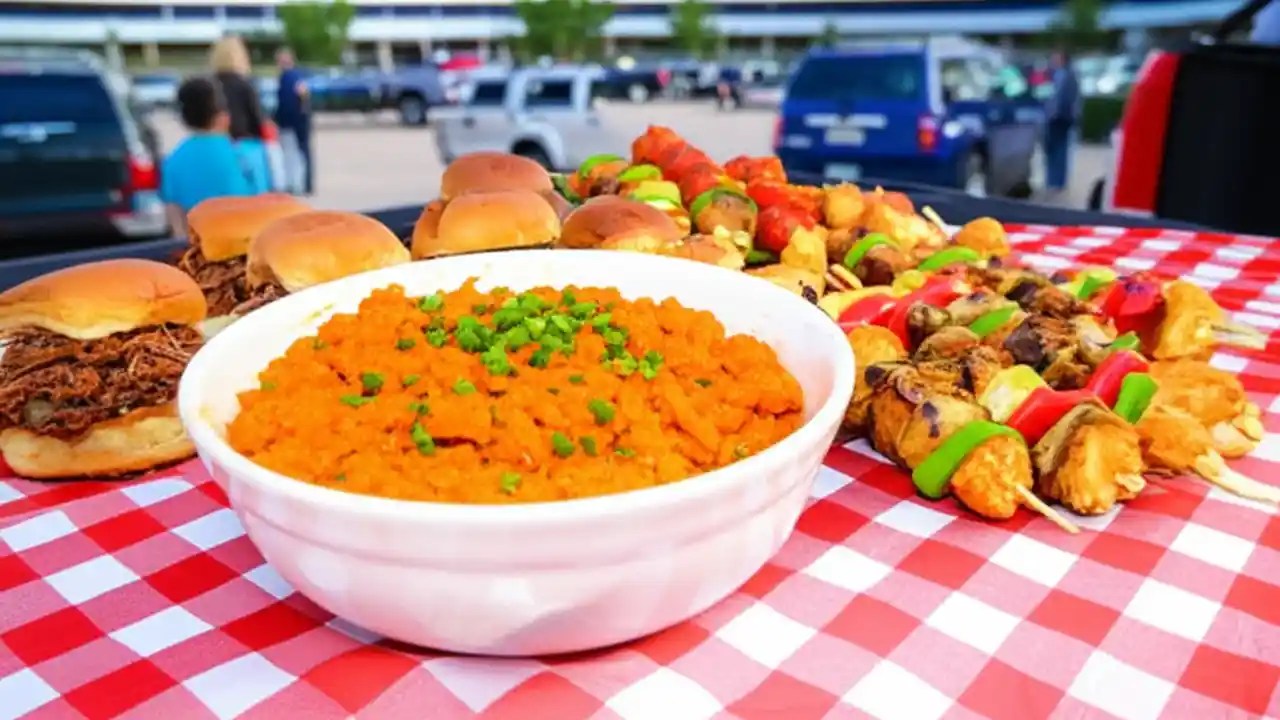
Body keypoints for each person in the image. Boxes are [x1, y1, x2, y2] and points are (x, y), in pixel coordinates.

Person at [160, 77, 253, 236]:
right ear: (222, 114)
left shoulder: (173, 161)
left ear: (184, 117)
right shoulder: (245, 155)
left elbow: (175, 221)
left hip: (197, 252)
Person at [210, 35, 271, 194]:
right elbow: (256, 118)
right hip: (245, 145)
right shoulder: (245, 86)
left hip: (217, 145)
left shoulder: (210, 86)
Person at [274, 48, 314, 195]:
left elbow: (291, 101)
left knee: (294, 154)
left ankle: (299, 184)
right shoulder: (295, 77)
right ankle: (304, 184)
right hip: (298, 121)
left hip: (292, 122)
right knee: (300, 153)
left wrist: (278, 119)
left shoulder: (289, 77)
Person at [1044, 50, 1081, 193]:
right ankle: (1051, 180)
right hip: (1050, 118)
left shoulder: (1070, 76)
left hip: (1063, 118)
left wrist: (1071, 115)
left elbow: (1072, 98)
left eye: (1056, 57)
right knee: (1050, 149)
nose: (1053, 60)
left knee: (1061, 149)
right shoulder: (1052, 74)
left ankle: (1058, 182)